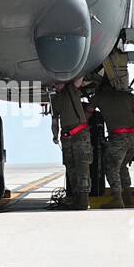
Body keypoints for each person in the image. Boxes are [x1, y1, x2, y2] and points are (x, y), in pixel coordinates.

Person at [91, 80, 134, 209]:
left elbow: (88, 111)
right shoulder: (126, 96)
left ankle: (117, 199)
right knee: (122, 165)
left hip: (119, 137)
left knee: (111, 166)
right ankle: (128, 197)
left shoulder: (98, 97)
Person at [50, 78, 92, 210]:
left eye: (59, 82)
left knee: (82, 165)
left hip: (80, 134)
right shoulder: (55, 100)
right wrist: (55, 135)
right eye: (55, 84)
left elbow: (80, 77)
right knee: (70, 166)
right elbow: (55, 121)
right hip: (66, 136)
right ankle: (76, 197)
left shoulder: (71, 89)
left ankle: (83, 200)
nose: (58, 85)